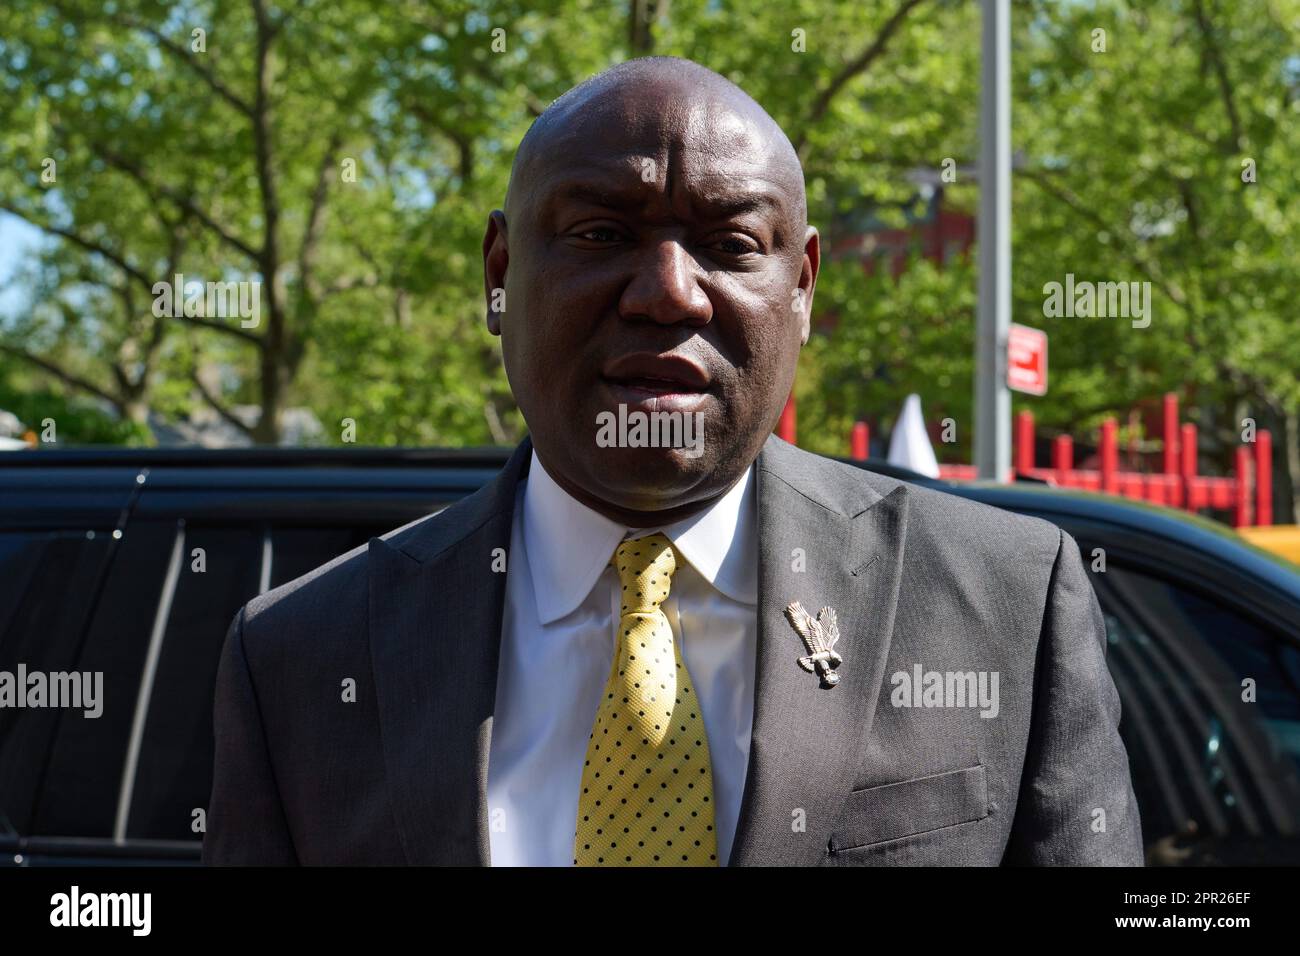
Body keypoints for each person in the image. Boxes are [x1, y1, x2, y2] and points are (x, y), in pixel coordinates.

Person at [203, 55, 1143, 866]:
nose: (666, 293)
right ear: (498, 275)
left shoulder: (1005, 603)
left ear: (803, 286)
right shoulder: (301, 657)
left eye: (730, 244)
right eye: (601, 235)